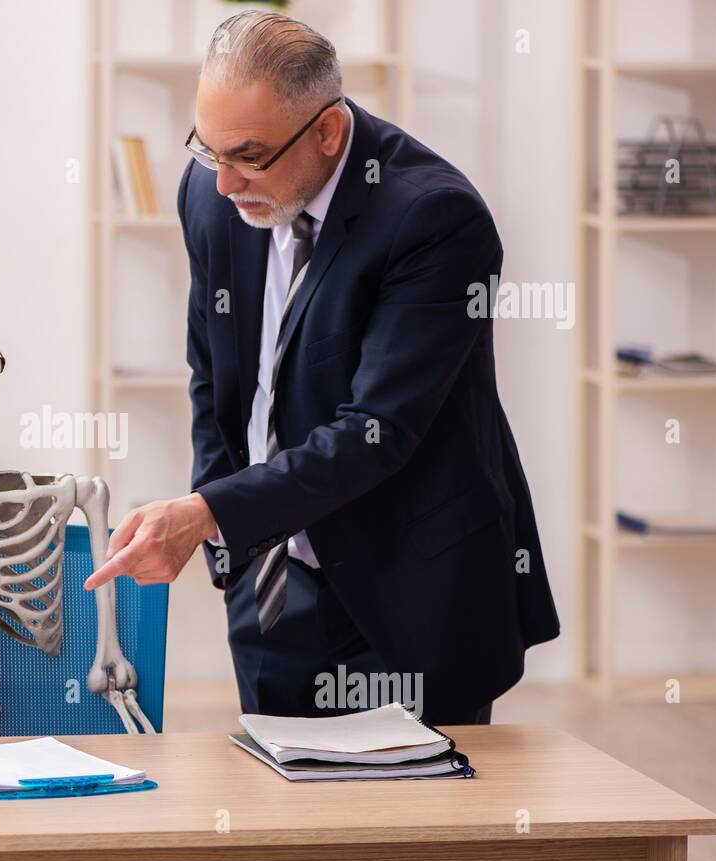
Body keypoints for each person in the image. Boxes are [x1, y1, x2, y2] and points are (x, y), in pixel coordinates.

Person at [84, 12, 559, 725]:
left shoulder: (438, 220)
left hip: (412, 598)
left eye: (247, 155)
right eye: (207, 150)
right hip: (269, 588)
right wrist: (230, 551)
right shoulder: (212, 196)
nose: (222, 182)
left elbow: (377, 431)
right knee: (282, 828)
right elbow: (214, 381)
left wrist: (208, 513)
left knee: (416, 831)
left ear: (329, 133)